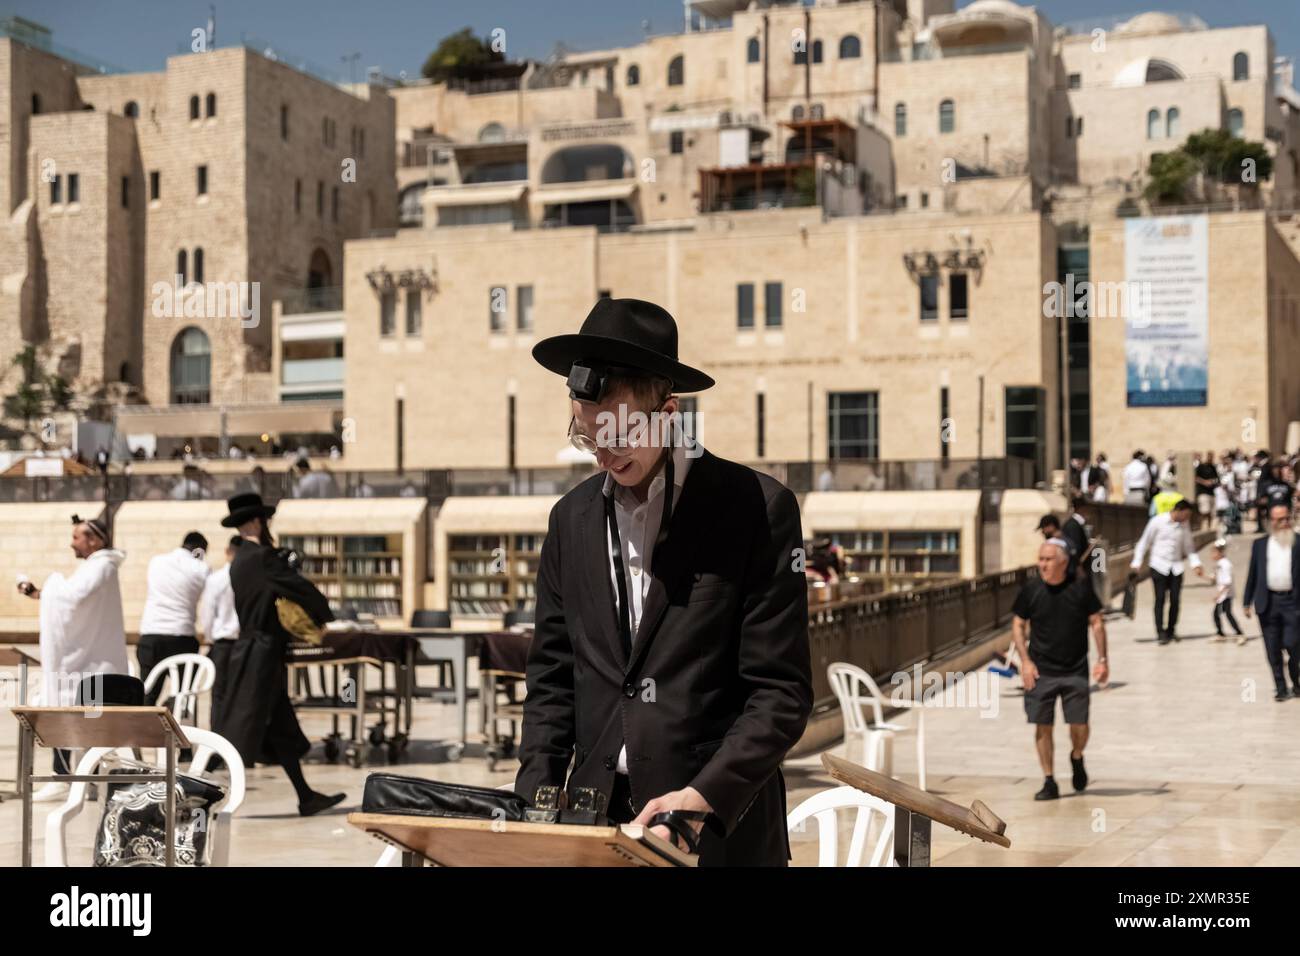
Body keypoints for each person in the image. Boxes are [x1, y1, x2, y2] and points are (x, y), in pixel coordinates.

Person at [516, 297, 813, 866]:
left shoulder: (757, 509)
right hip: (594, 825)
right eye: (588, 436)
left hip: (719, 830)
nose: (605, 453)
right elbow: (551, 682)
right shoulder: (569, 520)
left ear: (669, 410)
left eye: (621, 435)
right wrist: (535, 804)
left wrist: (701, 802)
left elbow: (781, 694)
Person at [218, 492, 345, 816]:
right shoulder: (264, 557)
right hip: (262, 654)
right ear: (258, 521)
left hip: (247, 649)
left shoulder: (239, 562)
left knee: (279, 725)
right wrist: (326, 616)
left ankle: (306, 796)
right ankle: (206, 797)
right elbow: (299, 588)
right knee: (241, 729)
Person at [17, 515, 129, 800]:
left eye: (77, 537)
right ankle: (75, 778)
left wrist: (53, 585)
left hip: (92, 664)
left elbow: (70, 598)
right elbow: (71, 598)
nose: (72, 543)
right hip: (86, 661)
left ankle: (69, 778)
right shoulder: (97, 567)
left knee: (78, 716)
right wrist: (40, 593)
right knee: (73, 714)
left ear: (93, 539)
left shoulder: (102, 565)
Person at [1010, 539, 1108, 801]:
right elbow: (1018, 624)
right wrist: (1025, 662)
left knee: (1080, 724)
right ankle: (1049, 780)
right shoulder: (1031, 589)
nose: (1042, 564)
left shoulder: (1080, 587)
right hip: (1040, 669)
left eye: (1048, 560)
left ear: (1063, 562)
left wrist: (1103, 660)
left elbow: (1097, 622)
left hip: (1075, 668)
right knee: (1043, 725)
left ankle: (1076, 755)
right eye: (1040, 559)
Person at [137, 532, 211, 706]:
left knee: (148, 693)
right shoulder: (201, 568)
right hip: (181, 636)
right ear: (199, 550)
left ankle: (143, 731)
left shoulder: (156, 561)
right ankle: (172, 722)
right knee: (183, 695)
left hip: (150, 635)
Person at [1243, 502, 1300, 701]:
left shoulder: (1298, 542)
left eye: (1285, 518)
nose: (1283, 523)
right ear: (1271, 521)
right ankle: (1281, 687)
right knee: (1272, 648)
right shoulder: (1260, 544)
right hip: (1267, 602)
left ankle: (1296, 681)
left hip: (1293, 603)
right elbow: (1253, 573)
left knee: (1293, 644)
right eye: (1278, 519)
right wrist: (1246, 601)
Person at [1130, 499, 1204, 644]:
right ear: (1179, 511)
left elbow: (1189, 546)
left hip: (1176, 567)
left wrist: (1196, 563)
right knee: (1160, 599)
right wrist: (1137, 562)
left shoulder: (1184, 525)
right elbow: (1144, 542)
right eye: (1186, 515)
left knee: (1175, 600)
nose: (1187, 519)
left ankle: (1171, 629)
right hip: (1159, 565)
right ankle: (1160, 632)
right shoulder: (1157, 522)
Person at [200, 535, 242, 732]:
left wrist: (209, 638)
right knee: (241, 695)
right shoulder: (250, 578)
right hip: (244, 643)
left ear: (228, 552)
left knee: (219, 696)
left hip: (222, 643)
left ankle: (217, 741)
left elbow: (207, 614)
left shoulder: (217, 579)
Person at [1210, 538, 1245, 645]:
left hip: (1226, 595)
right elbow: (1215, 579)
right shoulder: (1220, 564)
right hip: (1223, 594)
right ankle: (1220, 633)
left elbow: (1227, 582)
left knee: (1227, 613)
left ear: (1220, 552)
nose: (1212, 554)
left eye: (1214, 552)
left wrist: (1218, 594)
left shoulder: (1225, 564)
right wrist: (1202, 575)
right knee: (1218, 614)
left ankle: (1239, 633)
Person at [1194, 450, 1219, 528]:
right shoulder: (1201, 467)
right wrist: (1205, 482)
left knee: (1211, 512)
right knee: (1204, 510)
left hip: (1211, 492)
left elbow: (1217, 479)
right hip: (1202, 492)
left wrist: (1212, 482)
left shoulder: (1213, 467)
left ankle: (1209, 527)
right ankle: (1202, 526)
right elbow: (1195, 478)